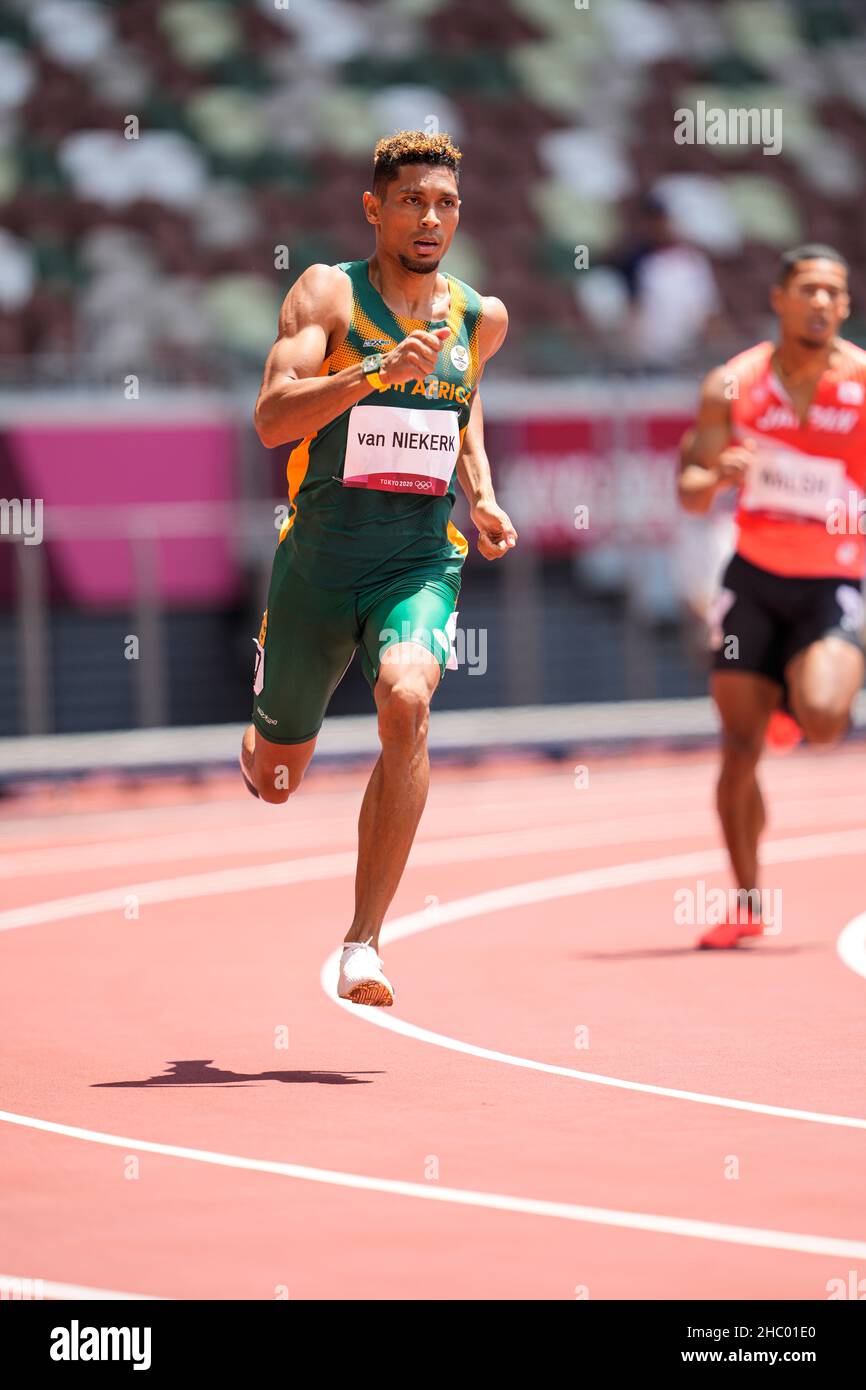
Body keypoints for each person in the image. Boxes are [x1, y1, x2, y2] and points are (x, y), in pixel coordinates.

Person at [240, 130, 517, 1003]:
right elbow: (272, 418)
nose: (430, 218)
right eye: (411, 201)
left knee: (407, 698)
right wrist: (369, 371)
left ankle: (365, 942)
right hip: (318, 566)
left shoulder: (481, 316)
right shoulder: (328, 291)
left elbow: (462, 411)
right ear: (375, 208)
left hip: (418, 561)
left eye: (444, 204)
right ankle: (263, 732)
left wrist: (482, 493)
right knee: (277, 780)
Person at [678, 244, 866, 949]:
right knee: (738, 749)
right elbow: (690, 493)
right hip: (752, 579)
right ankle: (749, 900)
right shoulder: (731, 384)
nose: (821, 302)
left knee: (820, 720)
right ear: (779, 299)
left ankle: (795, 701)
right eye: (808, 289)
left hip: (831, 582)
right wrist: (718, 473)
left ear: (845, 308)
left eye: (834, 292)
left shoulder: (863, 384)